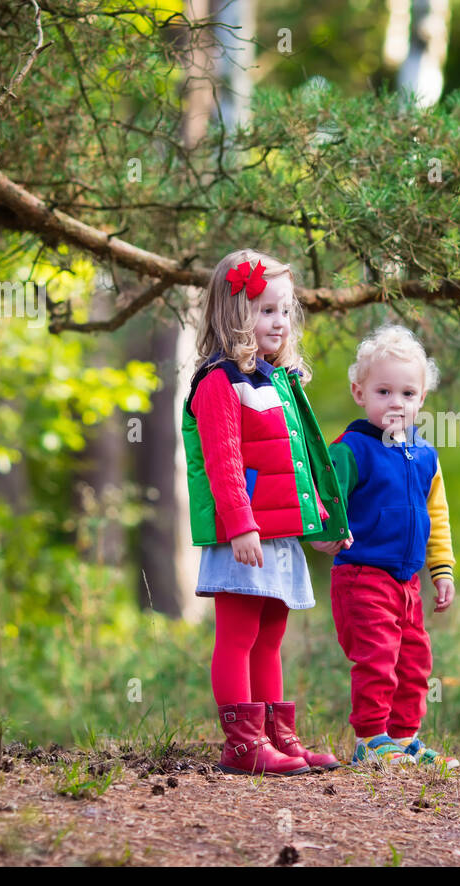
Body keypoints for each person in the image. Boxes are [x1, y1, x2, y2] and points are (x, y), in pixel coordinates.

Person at [182, 248, 352, 775]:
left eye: (285, 310)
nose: (279, 321)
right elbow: (223, 460)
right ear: (234, 315)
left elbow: (298, 462)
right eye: (265, 310)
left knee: (272, 633)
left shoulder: (278, 380)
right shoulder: (218, 382)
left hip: (276, 531)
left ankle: (276, 736)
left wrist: (321, 522)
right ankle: (242, 746)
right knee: (238, 634)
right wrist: (240, 524)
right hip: (243, 534)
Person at [313, 324, 460, 769]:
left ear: (421, 400)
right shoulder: (351, 448)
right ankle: (371, 739)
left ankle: (403, 738)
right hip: (361, 576)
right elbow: (323, 500)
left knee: (414, 662)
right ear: (360, 393)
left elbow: (437, 518)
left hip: (407, 583)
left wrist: (443, 570)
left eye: (408, 394)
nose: (396, 402)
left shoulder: (426, 455)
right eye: (383, 391)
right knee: (378, 658)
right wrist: (324, 535)